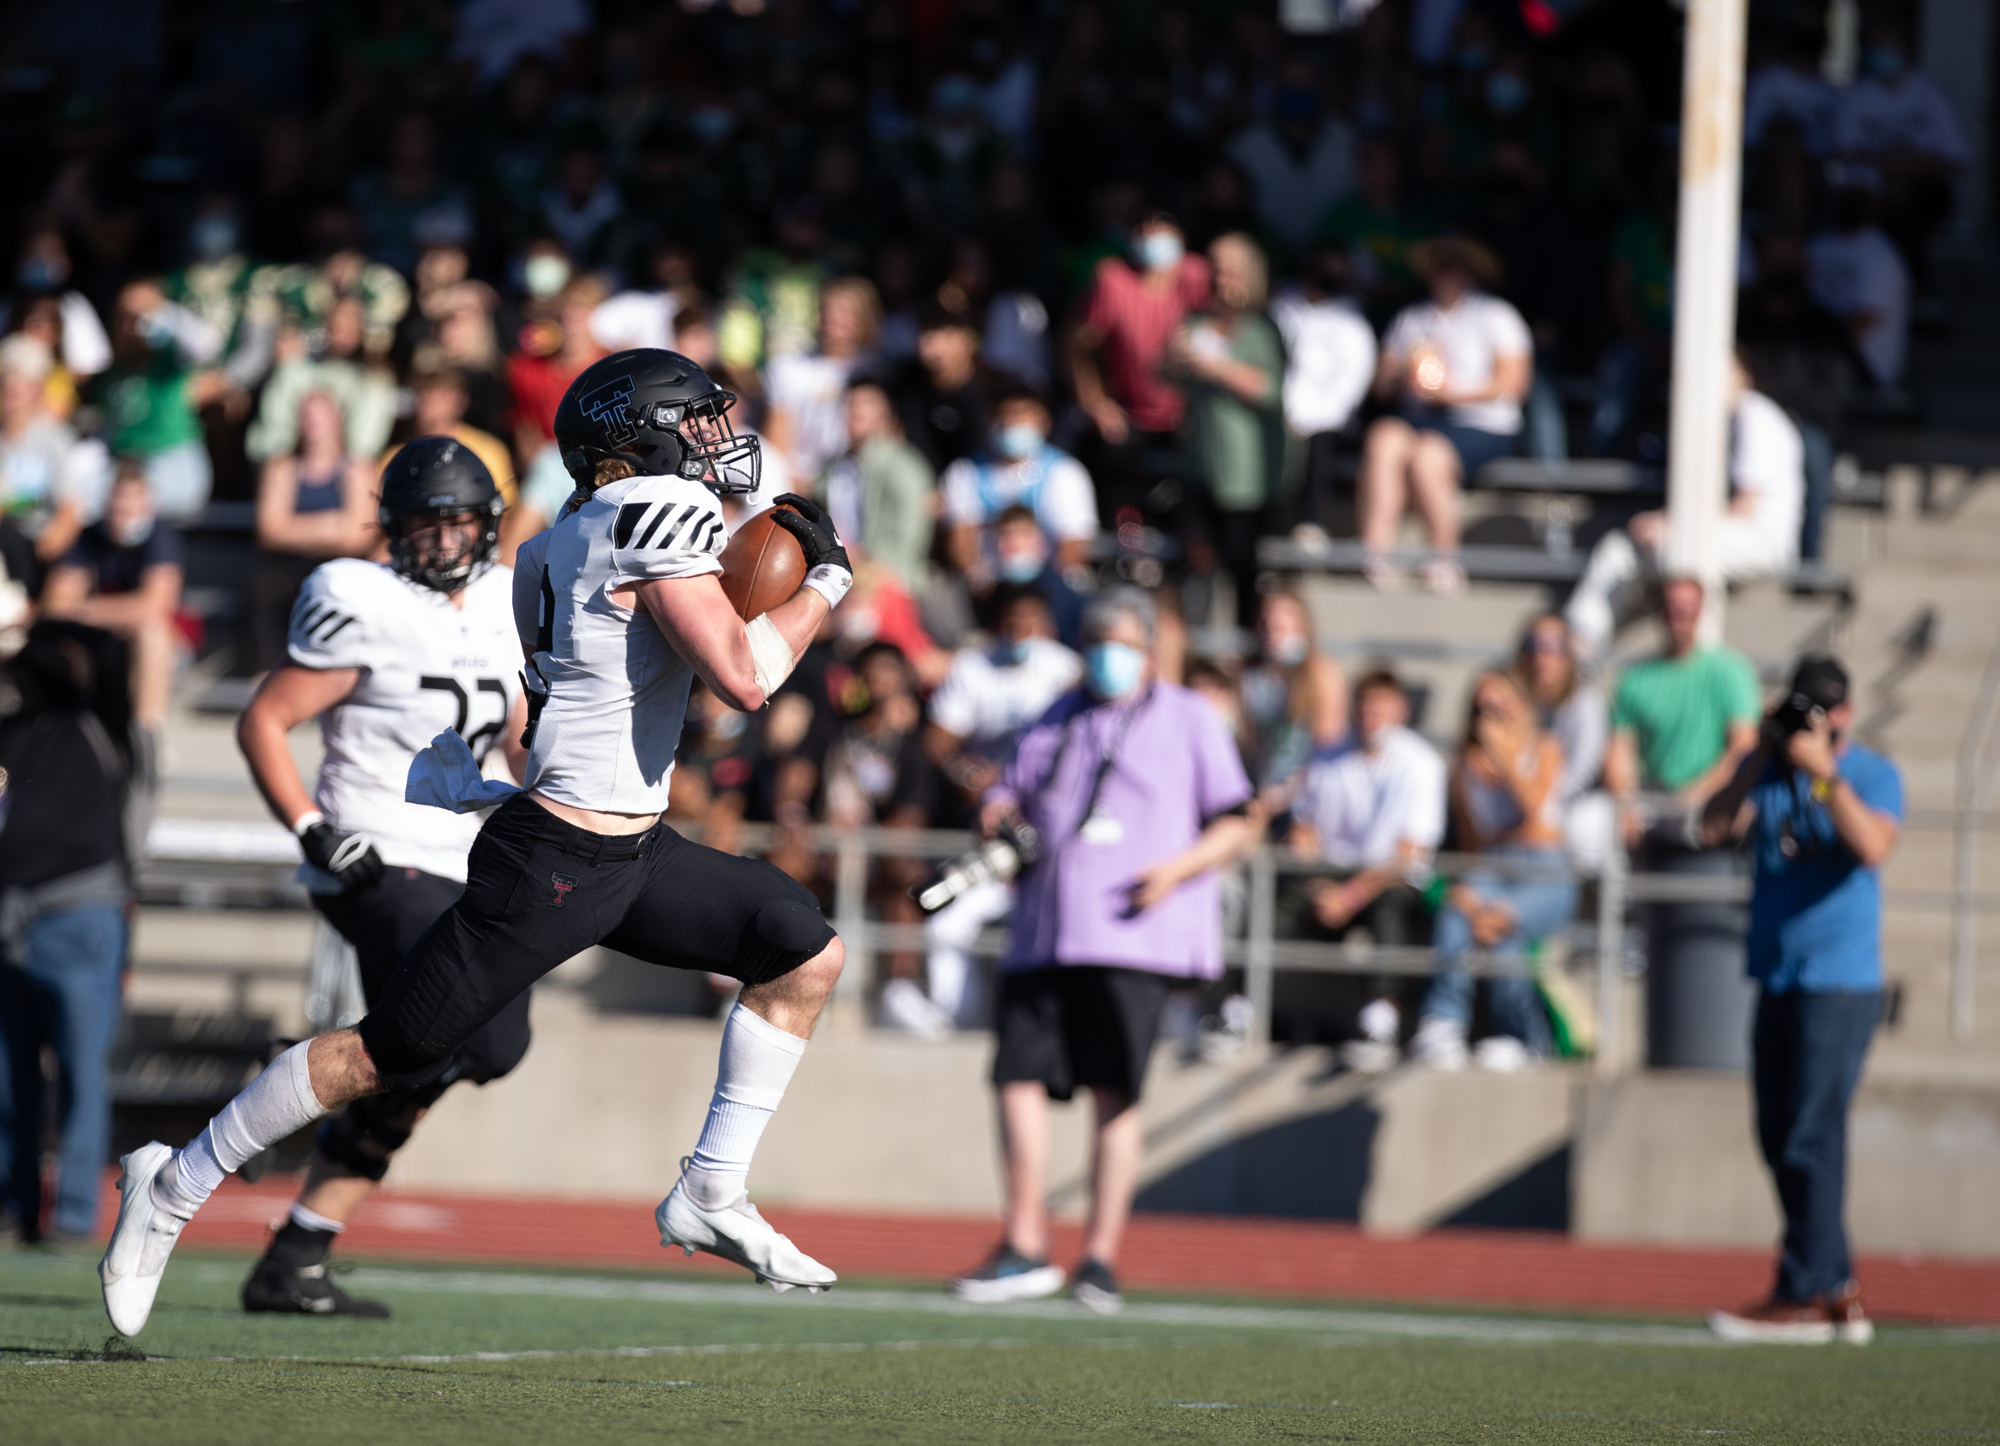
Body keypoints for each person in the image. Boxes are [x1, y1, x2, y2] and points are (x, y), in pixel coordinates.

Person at [98, 349, 855, 1337]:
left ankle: (709, 1190)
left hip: (632, 850)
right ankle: (174, 1182)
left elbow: (571, 698)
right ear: (646, 433)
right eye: (699, 419)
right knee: (382, 1054)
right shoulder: (656, 514)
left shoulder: (554, 543)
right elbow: (746, 678)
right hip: (555, 859)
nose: (717, 438)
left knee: (802, 952)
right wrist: (826, 583)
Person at [232, 438, 529, 1316]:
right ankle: (280, 1091)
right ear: (394, 529)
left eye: (460, 521)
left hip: (462, 854)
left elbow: (515, 731)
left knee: (461, 1053)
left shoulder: (509, 601)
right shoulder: (359, 596)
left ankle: (295, 1248)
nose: (444, 540)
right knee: (455, 1036)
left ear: (488, 524)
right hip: (376, 850)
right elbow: (266, 718)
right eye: (427, 523)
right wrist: (310, 827)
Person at [951, 587, 1255, 1313]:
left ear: (1149, 650)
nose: (1106, 655)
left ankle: (1100, 1257)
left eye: (1120, 642)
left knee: (1114, 1093)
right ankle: (1024, 1242)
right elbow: (1013, 796)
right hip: (1043, 931)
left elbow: (1240, 821)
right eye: (1096, 641)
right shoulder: (1056, 712)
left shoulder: (1190, 718)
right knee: (1015, 1078)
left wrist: (1173, 874)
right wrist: (996, 809)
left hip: (1134, 938)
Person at [1702, 656, 1902, 1345]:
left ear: (1844, 714)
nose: (1810, 720)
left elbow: (1873, 845)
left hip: (1839, 979)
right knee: (1780, 1136)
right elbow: (1710, 827)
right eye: (1802, 707)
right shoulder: (1771, 767)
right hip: (1777, 973)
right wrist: (1758, 758)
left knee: (1811, 1136)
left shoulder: (1869, 773)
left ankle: (1802, 1294)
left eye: (1823, 710)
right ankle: (1838, 1286)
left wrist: (1823, 771)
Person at [0, 621, 136, 1245]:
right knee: (8, 1079)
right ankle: (14, 1206)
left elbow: (110, 648)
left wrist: (46, 618)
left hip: (79, 917)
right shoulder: (10, 732)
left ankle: (75, 1213)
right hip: (9, 920)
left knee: (82, 1074)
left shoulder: (100, 721)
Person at [1566, 355, 1804, 655]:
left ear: (1744, 374)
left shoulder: (1755, 416)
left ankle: (1580, 648)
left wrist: (1671, 526)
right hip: (1729, 533)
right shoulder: (1719, 421)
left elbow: (1745, 507)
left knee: (1639, 551)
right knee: (1623, 549)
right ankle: (1578, 644)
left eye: (1724, 370)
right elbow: (1702, 497)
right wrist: (1662, 520)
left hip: (1760, 540)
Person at [923, 587, 1083, 1027]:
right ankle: (955, 1023)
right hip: (993, 830)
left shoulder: (1067, 672)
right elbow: (939, 743)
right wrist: (972, 778)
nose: (1020, 633)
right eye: (1012, 622)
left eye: (1030, 623)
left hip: (1055, 833)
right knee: (946, 925)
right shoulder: (973, 667)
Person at [1413, 669, 1575, 1071]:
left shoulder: (1545, 747)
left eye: (1503, 705)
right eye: (1485, 707)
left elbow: (1534, 810)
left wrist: (1506, 757)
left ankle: (1526, 1037)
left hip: (1544, 870)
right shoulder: (1464, 765)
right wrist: (1470, 900)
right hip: (1492, 866)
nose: (1494, 715)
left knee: (1504, 936)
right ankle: (1443, 1021)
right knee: (1455, 916)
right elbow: (1473, 844)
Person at [1284, 670, 1446, 1065]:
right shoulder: (1326, 756)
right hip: (1334, 873)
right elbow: (1302, 832)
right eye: (1366, 702)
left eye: (1382, 703)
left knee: (1393, 907)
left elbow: (1410, 853)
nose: (1371, 712)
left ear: (1401, 710)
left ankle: (1380, 1020)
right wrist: (1319, 884)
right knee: (1284, 901)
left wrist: (1351, 895)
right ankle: (1259, 1010)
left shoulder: (1421, 763)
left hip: (1392, 877)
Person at [1358, 236, 1530, 595]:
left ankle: (1444, 557)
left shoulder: (1496, 315)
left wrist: (1450, 394)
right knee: (1383, 438)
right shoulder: (1413, 319)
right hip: (1422, 417)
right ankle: (1374, 553)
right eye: (1441, 266)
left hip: (1481, 423)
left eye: (1454, 266)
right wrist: (1404, 371)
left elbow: (1513, 383)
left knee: (1428, 456)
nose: (1446, 274)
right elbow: (1381, 386)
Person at [1171, 233, 1287, 630]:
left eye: (1230, 269)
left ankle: (1246, 659)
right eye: (1216, 268)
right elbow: (1163, 373)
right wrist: (1179, 357)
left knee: (1243, 572)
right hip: (1200, 467)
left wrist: (1216, 367)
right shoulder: (1195, 323)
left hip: (1246, 476)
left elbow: (1271, 390)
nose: (1222, 278)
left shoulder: (1262, 329)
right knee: (1197, 565)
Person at [1068, 213, 1213, 514]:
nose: (1156, 244)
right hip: (1130, 412)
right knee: (1112, 463)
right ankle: (1126, 546)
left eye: (1164, 235)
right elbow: (1079, 346)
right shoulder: (1113, 280)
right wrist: (1095, 401)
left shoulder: (1199, 276)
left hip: (1190, 415)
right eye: (1147, 235)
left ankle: (1199, 546)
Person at [1603, 576, 1762, 845]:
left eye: (1688, 608)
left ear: (1701, 611)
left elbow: (1743, 747)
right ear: (1659, 612)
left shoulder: (1731, 672)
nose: (1681, 616)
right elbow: (1620, 752)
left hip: (1710, 804)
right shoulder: (1635, 680)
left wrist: (1697, 794)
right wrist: (1627, 806)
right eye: (1673, 607)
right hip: (1653, 800)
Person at [241, 391, 380, 677]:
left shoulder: (357, 468)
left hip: (340, 567)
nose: (312, 423)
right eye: (306, 416)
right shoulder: (282, 467)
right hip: (286, 566)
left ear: (337, 420)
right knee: (261, 590)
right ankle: (263, 681)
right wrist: (332, 524)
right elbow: (270, 530)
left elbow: (358, 536)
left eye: (320, 416)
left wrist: (296, 525)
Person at [42, 467, 184, 732]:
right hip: (95, 634)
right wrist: (106, 612)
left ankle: (146, 734)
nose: (121, 511)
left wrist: (88, 609)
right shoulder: (89, 537)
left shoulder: (161, 538)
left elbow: (154, 605)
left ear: (147, 505)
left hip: (143, 635)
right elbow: (57, 605)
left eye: (130, 503)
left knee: (151, 634)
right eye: (117, 502)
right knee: (59, 641)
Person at [940, 383, 1098, 599]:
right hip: (984, 591)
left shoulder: (1065, 473)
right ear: (990, 419)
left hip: (1048, 590)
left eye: (1024, 415)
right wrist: (982, 584)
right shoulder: (964, 472)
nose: (1013, 423)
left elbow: (1073, 546)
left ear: (1045, 422)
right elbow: (961, 541)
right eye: (1006, 414)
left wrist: (1041, 594)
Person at [1268, 245, 1377, 537]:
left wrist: (1307, 419)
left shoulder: (1353, 324)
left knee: (1319, 443)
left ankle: (1311, 524)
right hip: (1279, 411)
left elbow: (1350, 387)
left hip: (1329, 420)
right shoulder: (1279, 313)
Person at [97, 280, 227, 523]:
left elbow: (208, 344)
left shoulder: (174, 359)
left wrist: (164, 316)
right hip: (127, 469)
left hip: (173, 466)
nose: (130, 325)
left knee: (133, 506)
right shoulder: (116, 373)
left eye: (138, 317)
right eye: (124, 317)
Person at [0, 334, 105, 589]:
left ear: (36, 389)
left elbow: (70, 509)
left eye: (21, 385)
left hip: (38, 545)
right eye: (6, 384)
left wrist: (43, 552)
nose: (12, 392)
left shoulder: (55, 438)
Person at [817, 377, 935, 595]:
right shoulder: (832, 467)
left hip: (889, 583)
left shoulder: (905, 467)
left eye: (868, 403)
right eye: (850, 403)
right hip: (839, 577)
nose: (856, 410)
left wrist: (860, 561)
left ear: (888, 415)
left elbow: (909, 543)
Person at [765, 276, 880, 485]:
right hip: (795, 483)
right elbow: (776, 447)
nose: (834, 318)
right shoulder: (787, 368)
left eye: (846, 311)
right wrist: (797, 484)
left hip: (855, 484)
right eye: (828, 309)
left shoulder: (876, 371)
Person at [1238, 590, 1347, 811]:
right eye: (1267, 616)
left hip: (1310, 789)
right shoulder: (1251, 676)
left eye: (1284, 615)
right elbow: (1248, 744)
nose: (1273, 622)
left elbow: (1328, 745)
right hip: (1262, 785)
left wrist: (1290, 790)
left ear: (1302, 625)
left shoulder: (1322, 672)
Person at [1806, 173, 1912, 396]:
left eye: (1859, 196)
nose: (1849, 201)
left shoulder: (1882, 255)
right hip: (1816, 350)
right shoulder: (1819, 244)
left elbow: (1864, 319)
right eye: (1845, 194)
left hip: (1865, 363)